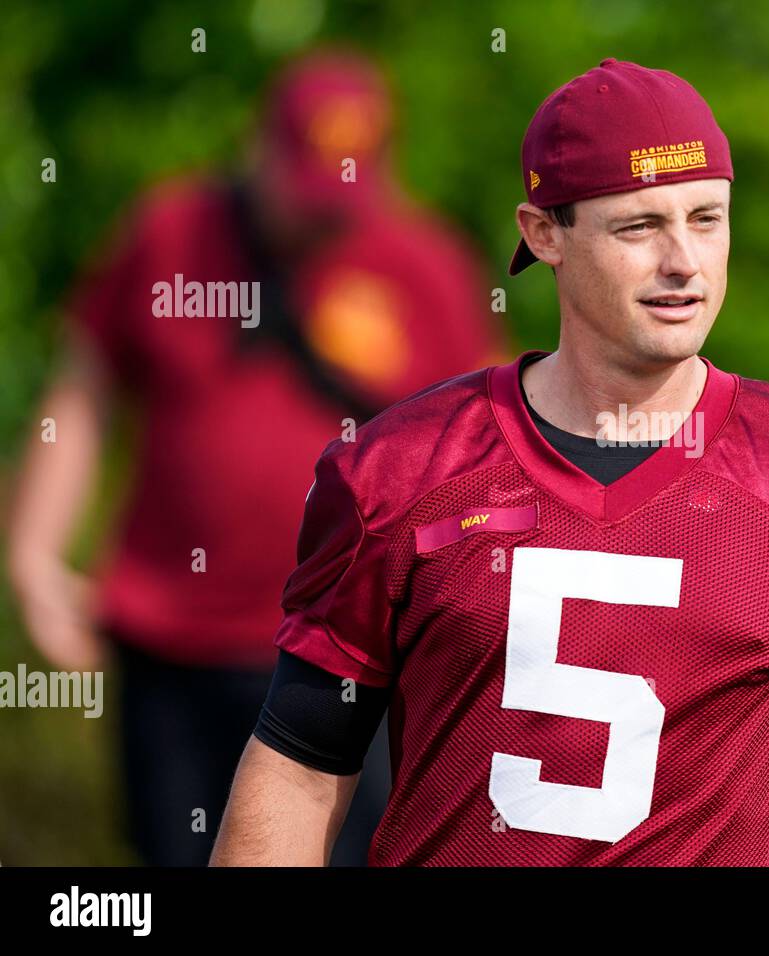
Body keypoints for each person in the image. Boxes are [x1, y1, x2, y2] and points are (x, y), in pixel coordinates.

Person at [211, 57, 769, 866]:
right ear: (544, 232)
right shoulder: (401, 473)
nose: (684, 260)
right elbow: (302, 773)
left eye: (707, 218)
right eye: (639, 226)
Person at [7, 50, 508, 866]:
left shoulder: (428, 269)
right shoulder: (171, 232)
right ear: (258, 148)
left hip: (351, 658)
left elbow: (485, 453)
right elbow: (84, 395)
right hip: (171, 643)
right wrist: (33, 556)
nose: (322, 217)